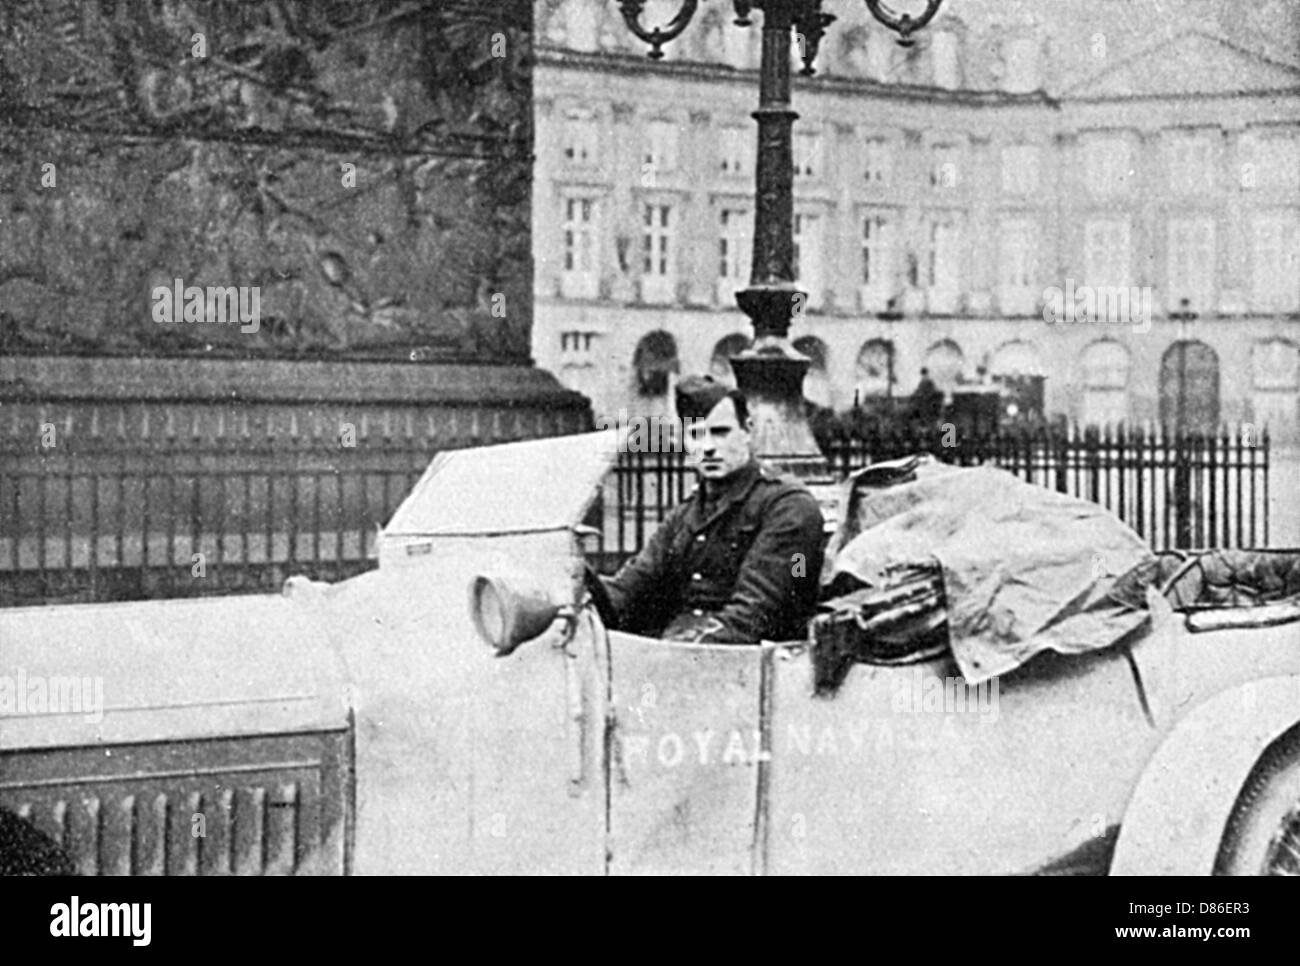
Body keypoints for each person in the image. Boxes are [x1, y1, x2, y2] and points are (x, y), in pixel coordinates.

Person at [597, 375, 825, 643]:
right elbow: (632, 584)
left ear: (748, 431)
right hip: (686, 649)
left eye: (720, 432)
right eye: (695, 435)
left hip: (751, 659)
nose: (707, 448)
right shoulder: (688, 512)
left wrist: (684, 648)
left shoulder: (788, 507)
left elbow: (758, 610)